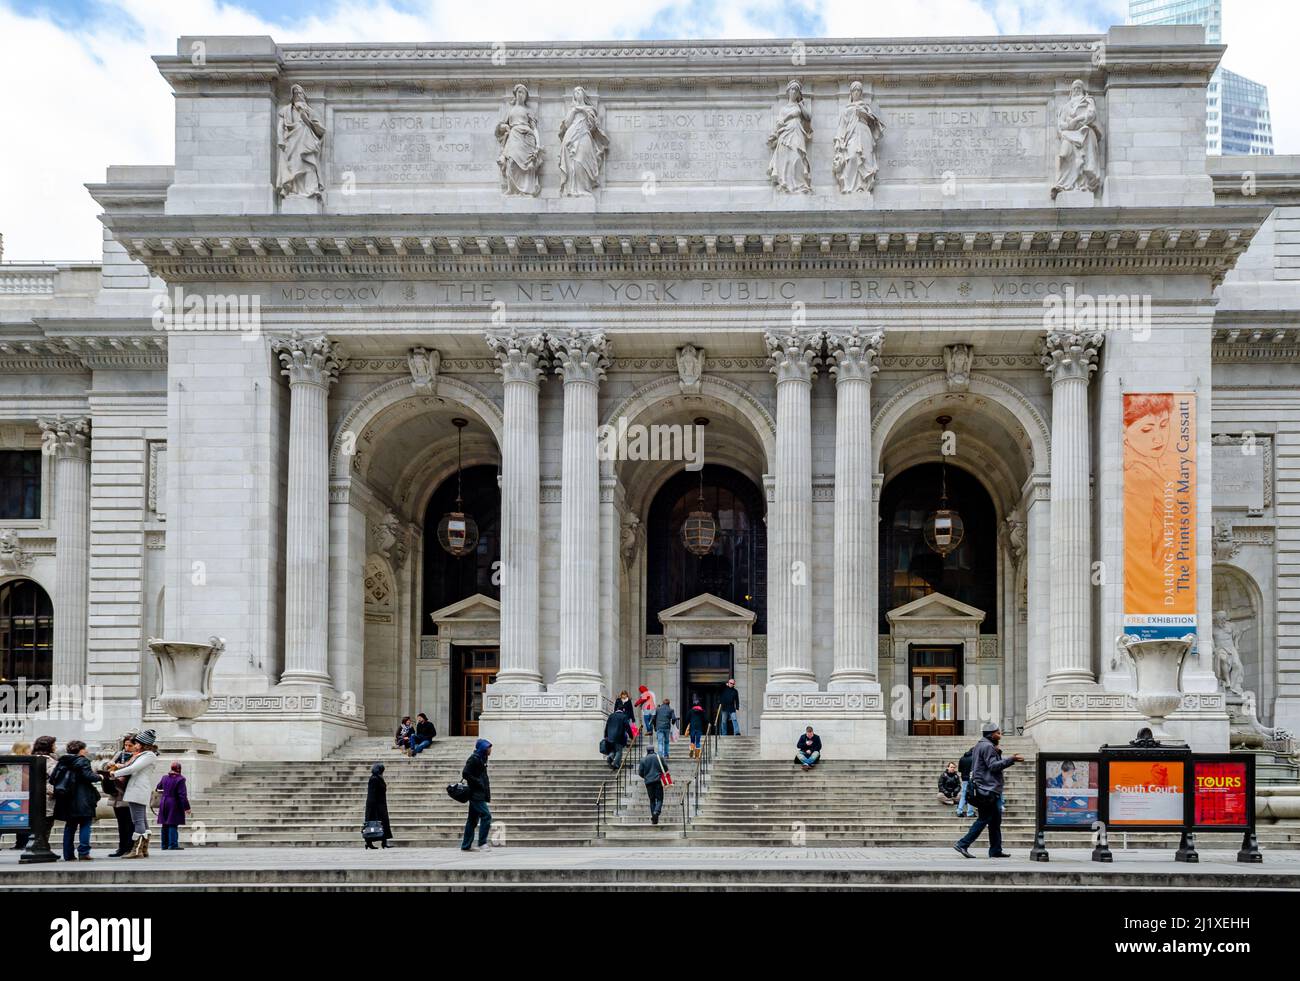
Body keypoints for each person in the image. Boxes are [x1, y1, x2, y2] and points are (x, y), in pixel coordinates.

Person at [954, 723, 1024, 859]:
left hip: (986, 788)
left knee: (995, 821)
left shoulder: (980, 745)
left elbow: (987, 763)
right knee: (984, 818)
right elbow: (993, 766)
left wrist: (999, 754)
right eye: (998, 733)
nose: (1000, 735)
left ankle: (995, 850)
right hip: (988, 789)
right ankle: (963, 844)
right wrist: (1012, 759)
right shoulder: (987, 746)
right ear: (991, 734)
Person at [108, 728, 159, 858]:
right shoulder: (143, 755)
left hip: (138, 790)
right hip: (137, 789)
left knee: (138, 820)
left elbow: (133, 768)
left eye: (136, 743)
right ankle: (143, 850)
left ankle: (136, 851)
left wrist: (115, 773)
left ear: (142, 744)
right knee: (143, 821)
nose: (134, 745)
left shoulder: (148, 755)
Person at [50, 740, 100, 861]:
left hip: (67, 798)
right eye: (85, 749)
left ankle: (68, 854)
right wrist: (100, 776)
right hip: (83, 798)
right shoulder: (82, 760)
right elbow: (89, 776)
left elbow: (53, 779)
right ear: (81, 750)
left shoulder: (62, 761)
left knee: (70, 826)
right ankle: (83, 852)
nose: (86, 751)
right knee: (85, 824)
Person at [98, 729, 139, 857]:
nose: (127, 748)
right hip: (116, 793)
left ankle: (130, 847)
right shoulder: (119, 754)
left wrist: (120, 768)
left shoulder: (137, 757)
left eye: (130, 745)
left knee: (129, 822)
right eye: (125, 745)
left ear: (136, 746)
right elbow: (106, 768)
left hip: (127, 792)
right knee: (121, 823)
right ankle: (121, 848)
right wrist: (109, 764)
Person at [460, 738, 493, 852]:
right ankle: (482, 843)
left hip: (480, 793)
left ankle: (466, 845)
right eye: (488, 747)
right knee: (486, 816)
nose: (490, 750)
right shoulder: (474, 759)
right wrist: (478, 782)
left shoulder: (482, 758)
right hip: (475, 794)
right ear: (483, 748)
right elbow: (465, 773)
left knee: (472, 820)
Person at [155, 761, 191, 851]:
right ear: (179, 769)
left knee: (165, 824)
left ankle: (164, 845)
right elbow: (182, 795)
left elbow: (158, 787)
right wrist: (187, 807)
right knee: (173, 824)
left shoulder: (164, 777)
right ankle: (173, 845)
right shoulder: (181, 779)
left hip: (164, 802)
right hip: (174, 803)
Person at [5, 741, 31, 850]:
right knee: (22, 820)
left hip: (10, 795)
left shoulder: (7, 760)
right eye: (29, 748)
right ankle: (21, 843)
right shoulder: (24, 762)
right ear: (23, 750)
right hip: (21, 794)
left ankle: (20, 843)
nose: (31, 751)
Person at [364, 762, 393, 849]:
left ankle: (384, 842)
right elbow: (371, 794)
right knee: (372, 824)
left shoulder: (379, 778)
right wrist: (372, 807)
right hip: (375, 806)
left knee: (383, 824)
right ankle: (368, 842)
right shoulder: (374, 779)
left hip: (381, 805)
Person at [638, 747, 667, 825]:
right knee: (660, 799)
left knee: (652, 800)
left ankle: (654, 818)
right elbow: (665, 768)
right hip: (658, 781)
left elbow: (640, 772)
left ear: (647, 751)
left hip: (648, 782)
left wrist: (646, 777)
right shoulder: (659, 757)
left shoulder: (643, 759)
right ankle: (656, 812)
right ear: (653, 750)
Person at [603, 704, 633, 770]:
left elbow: (607, 726)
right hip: (618, 737)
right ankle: (615, 763)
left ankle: (610, 757)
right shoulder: (624, 716)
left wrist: (605, 735)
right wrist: (631, 736)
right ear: (623, 710)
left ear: (617, 709)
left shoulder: (611, 716)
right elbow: (627, 727)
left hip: (610, 737)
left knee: (613, 750)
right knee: (619, 751)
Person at [955, 746, 974, 818]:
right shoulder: (974, 759)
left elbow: (959, 770)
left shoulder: (962, 758)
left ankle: (959, 811)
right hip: (971, 779)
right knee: (971, 796)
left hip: (964, 779)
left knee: (963, 795)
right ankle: (970, 812)